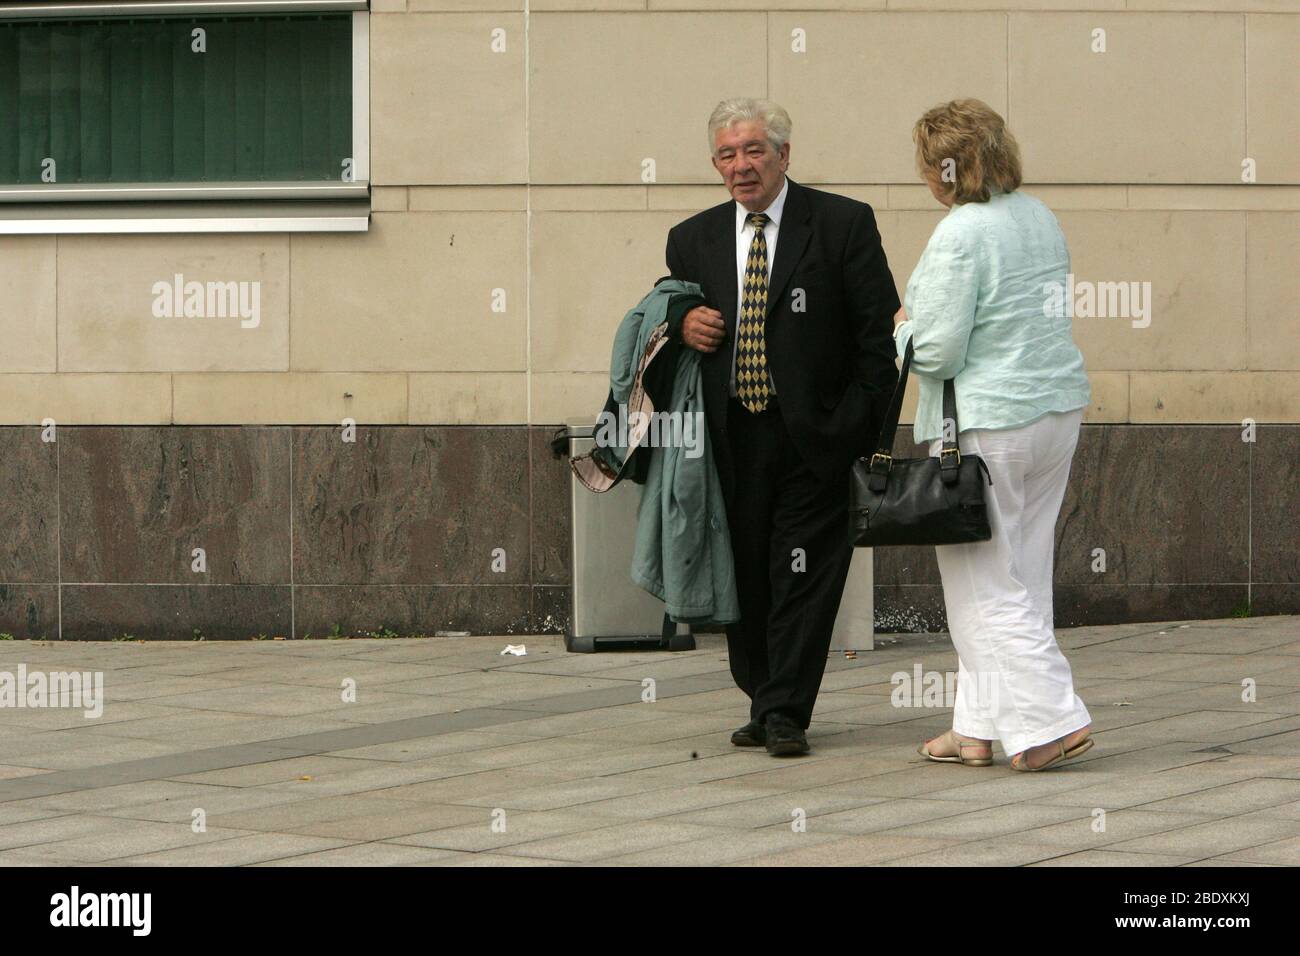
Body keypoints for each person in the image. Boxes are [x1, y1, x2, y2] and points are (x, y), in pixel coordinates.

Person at [664, 97, 899, 756]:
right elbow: (668, 316)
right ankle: (764, 697)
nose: (741, 166)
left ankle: (785, 710)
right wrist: (683, 324)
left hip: (815, 438)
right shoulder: (692, 238)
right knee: (745, 574)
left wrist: (858, 426)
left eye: (753, 151)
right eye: (727, 155)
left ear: (783, 154)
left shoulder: (843, 223)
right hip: (730, 437)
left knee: (804, 575)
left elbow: (878, 339)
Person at [898, 99, 1094, 771]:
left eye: (930, 166)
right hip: (1053, 413)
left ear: (945, 169)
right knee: (1022, 575)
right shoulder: (1038, 217)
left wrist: (901, 330)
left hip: (987, 425)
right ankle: (975, 728)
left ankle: (1053, 722)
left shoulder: (961, 233)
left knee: (983, 587)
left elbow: (939, 351)